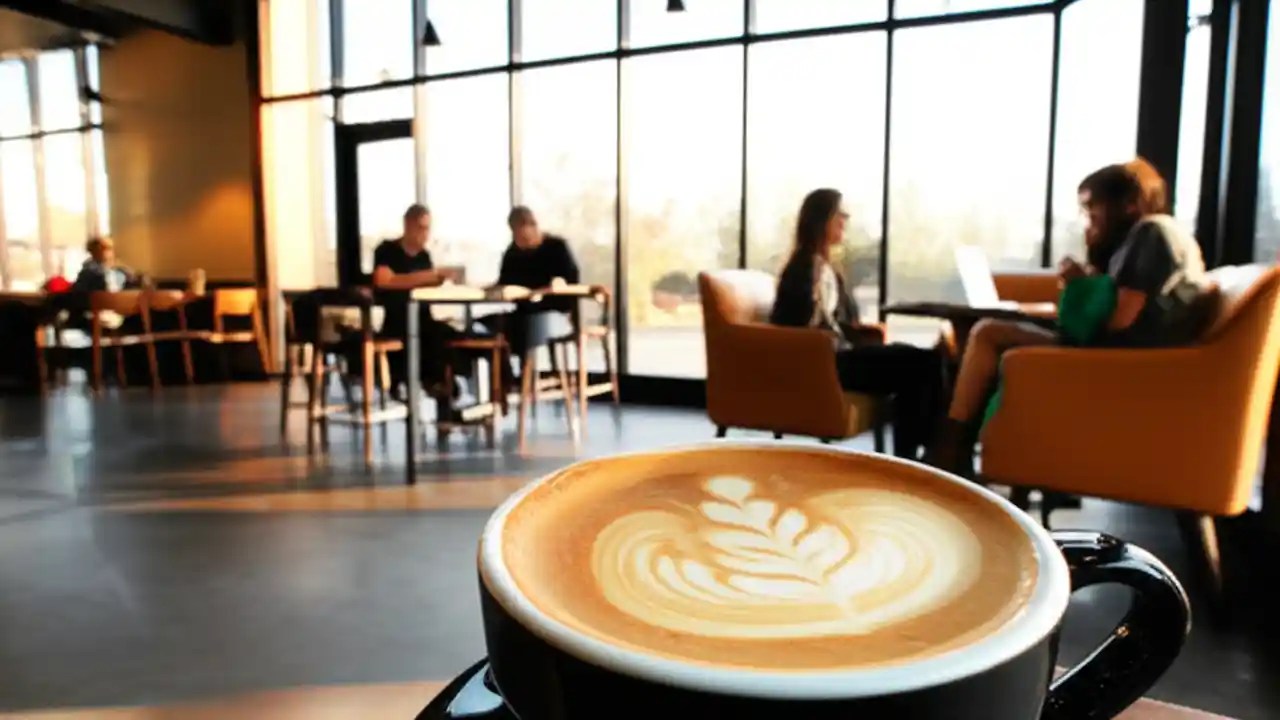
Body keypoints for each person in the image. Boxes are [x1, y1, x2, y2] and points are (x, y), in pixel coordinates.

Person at [928, 158, 1209, 476]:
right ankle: (963, 448)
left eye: (1092, 207)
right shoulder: (1155, 234)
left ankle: (951, 450)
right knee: (989, 333)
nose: (1087, 218)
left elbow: (1119, 321)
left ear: (1127, 205)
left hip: (1125, 360)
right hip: (1139, 355)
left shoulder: (1151, 233)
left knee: (986, 333)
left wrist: (1079, 287)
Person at [770, 188, 946, 460]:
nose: (846, 220)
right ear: (822, 219)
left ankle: (922, 453)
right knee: (922, 364)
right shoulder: (802, 269)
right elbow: (792, 327)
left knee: (925, 363)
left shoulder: (828, 269)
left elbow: (843, 322)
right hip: (825, 362)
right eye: (840, 214)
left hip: (840, 354)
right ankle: (921, 456)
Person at [371, 204, 464, 397]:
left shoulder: (424, 256)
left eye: (428, 228)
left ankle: (445, 393)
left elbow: (428, 286)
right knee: (433, 338)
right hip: (399, 320)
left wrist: (441, 279)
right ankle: (433, 383)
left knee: (452, 336)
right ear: (408, 225)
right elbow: (384, 280)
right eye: (421, 228)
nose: (425, 234)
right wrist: (427, 276)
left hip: (423, 317)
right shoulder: (387, 250)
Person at [481, 206, 581, 366]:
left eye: (521, 235)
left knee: (521, 327)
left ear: (533, 226)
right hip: (522, 312)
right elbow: (504, 282)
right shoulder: (513, 252)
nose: (519, 240)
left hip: (554, 313)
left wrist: (549, 289)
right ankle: (505, 380)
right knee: (484, 326)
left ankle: (524, 380)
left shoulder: (557, 247)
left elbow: (571, 281)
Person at [73, 237, 139, 293]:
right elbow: (80, 293)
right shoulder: (88, 272)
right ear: (93, 252)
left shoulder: (124, 271)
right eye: (100, 249)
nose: (105, 253)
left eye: (109, 249)